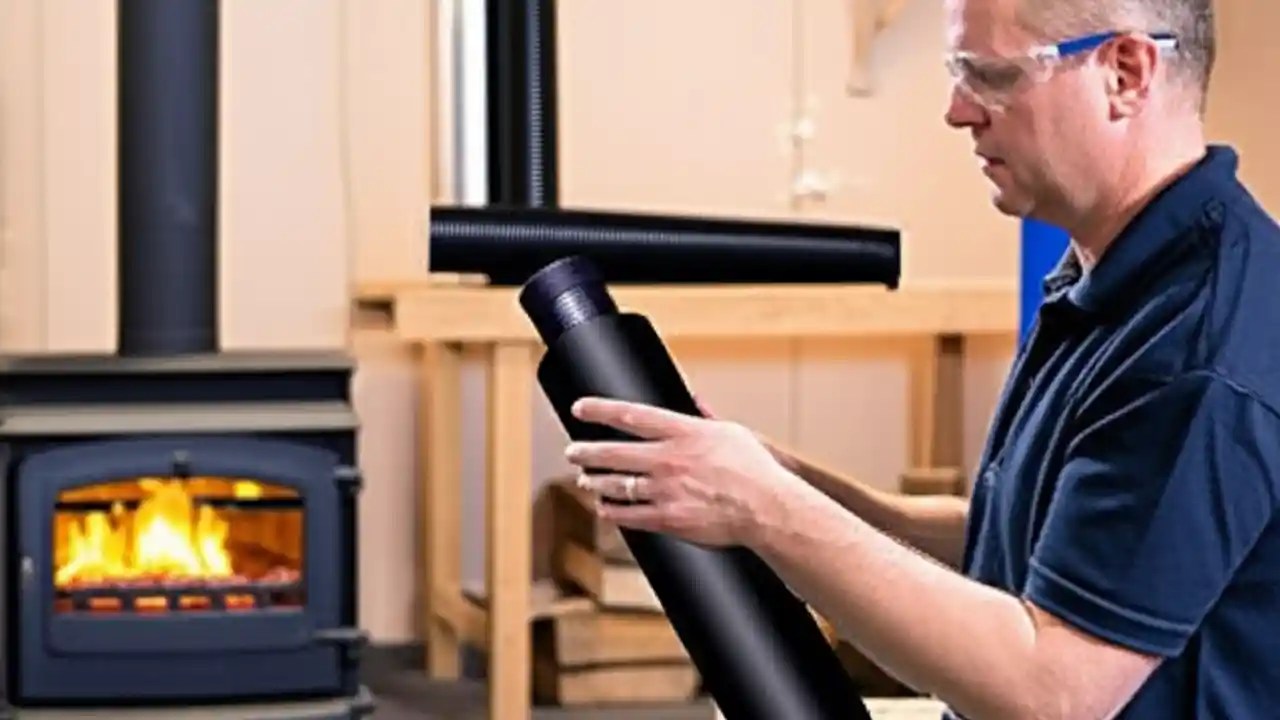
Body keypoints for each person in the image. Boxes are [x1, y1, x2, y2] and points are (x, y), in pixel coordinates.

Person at [564, 0, 1280, 717]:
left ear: (1124, 73)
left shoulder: (1195, 347)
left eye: (991, 75)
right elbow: (1038, 544)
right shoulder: (1113, 279)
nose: (957, 111)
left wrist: (765, 508)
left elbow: (1054, 695)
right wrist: (781, 480)